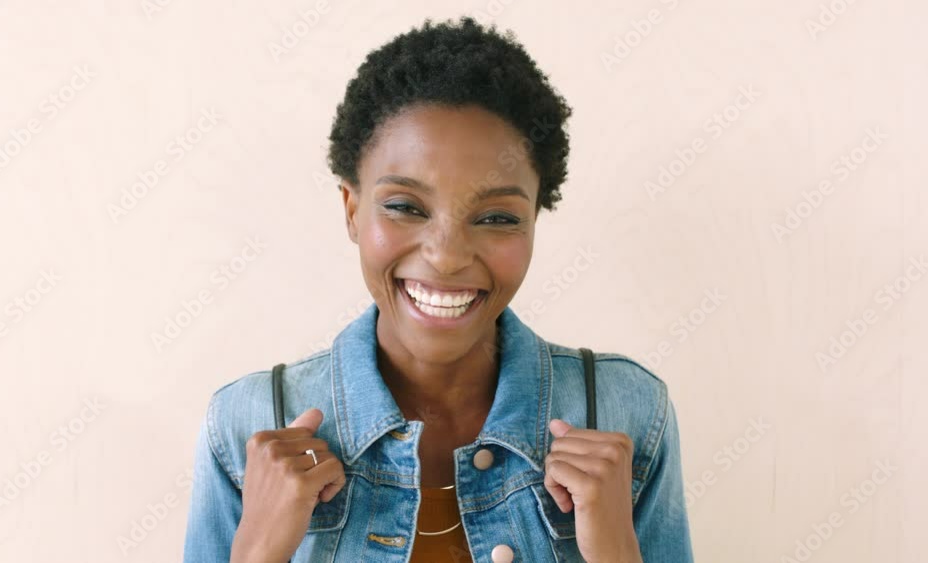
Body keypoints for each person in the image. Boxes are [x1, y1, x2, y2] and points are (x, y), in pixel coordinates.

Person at [183, 16, 694, 563]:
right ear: (352, 211)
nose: (447, 257)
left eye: (497, 217)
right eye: (405, 207)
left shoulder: (627, 413)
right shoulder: (248, 424)